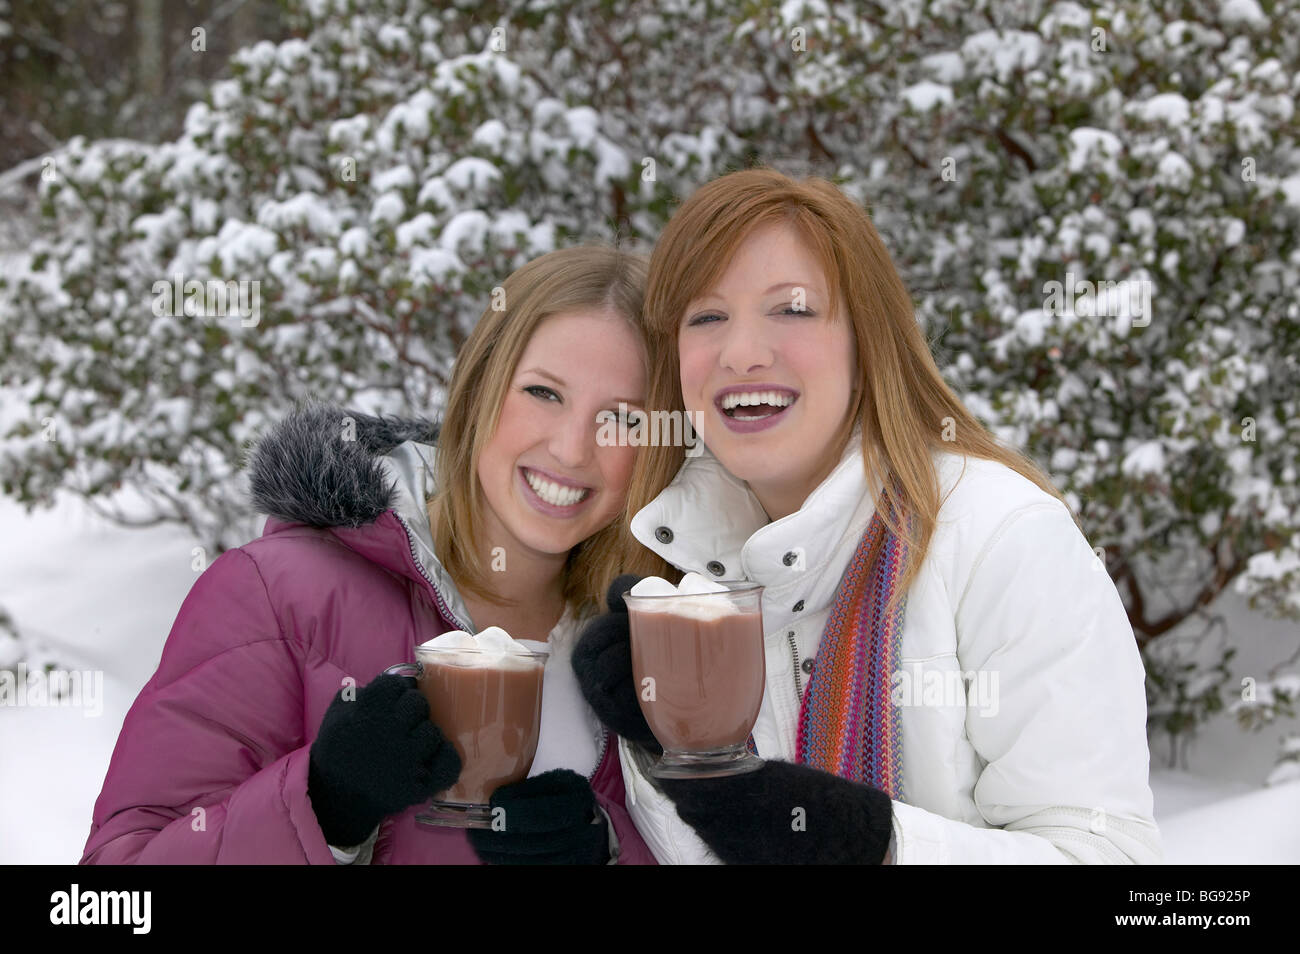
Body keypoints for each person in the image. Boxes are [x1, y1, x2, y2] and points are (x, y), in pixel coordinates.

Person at [574, 168, 1163, 864]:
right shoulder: (679, 572)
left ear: (866, 338)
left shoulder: (1001, 538)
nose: (741, 352)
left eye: (791, 308)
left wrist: (874, 845)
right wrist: (680, 756)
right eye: (706, 317)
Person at [81, 245, 658, 864]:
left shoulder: (647, 643)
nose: (572, 450)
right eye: (543, 392)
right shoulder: (279, 593)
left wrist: (610, 846)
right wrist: (325, 806)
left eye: (620, 420)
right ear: (478, 389)